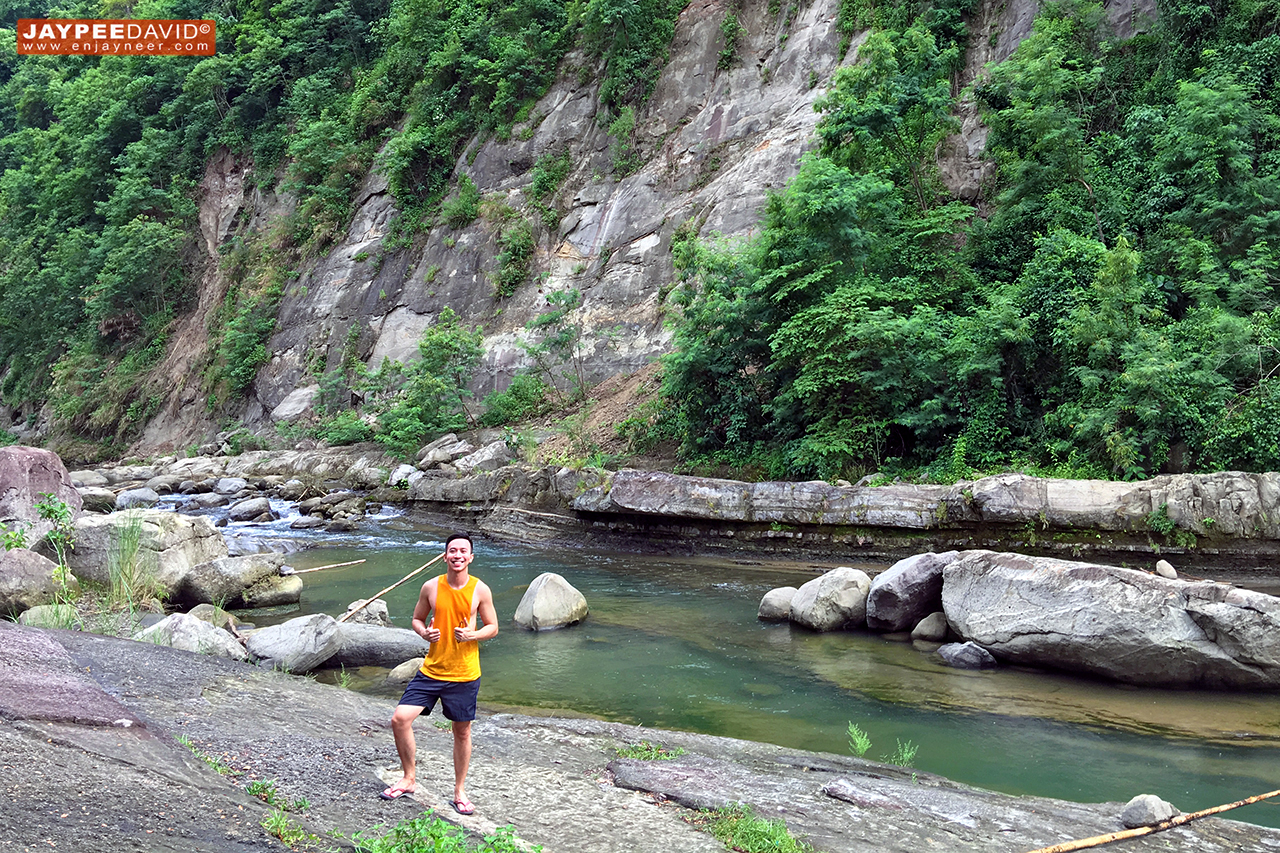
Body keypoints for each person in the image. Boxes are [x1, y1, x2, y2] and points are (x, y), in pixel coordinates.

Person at [381, 533, 498, 815]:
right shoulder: (431, 587)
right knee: (400, 719)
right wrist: (425, 633)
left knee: (462, 731)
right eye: (452, 551)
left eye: (463, 551)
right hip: (431, 670)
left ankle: (459, 791)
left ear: (470, 558)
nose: (458, 555)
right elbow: (416, 619)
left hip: (465, 673)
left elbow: (492, 627)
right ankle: (409, 778)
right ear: (445, 556)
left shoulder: (480, 590)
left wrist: (473, 634)